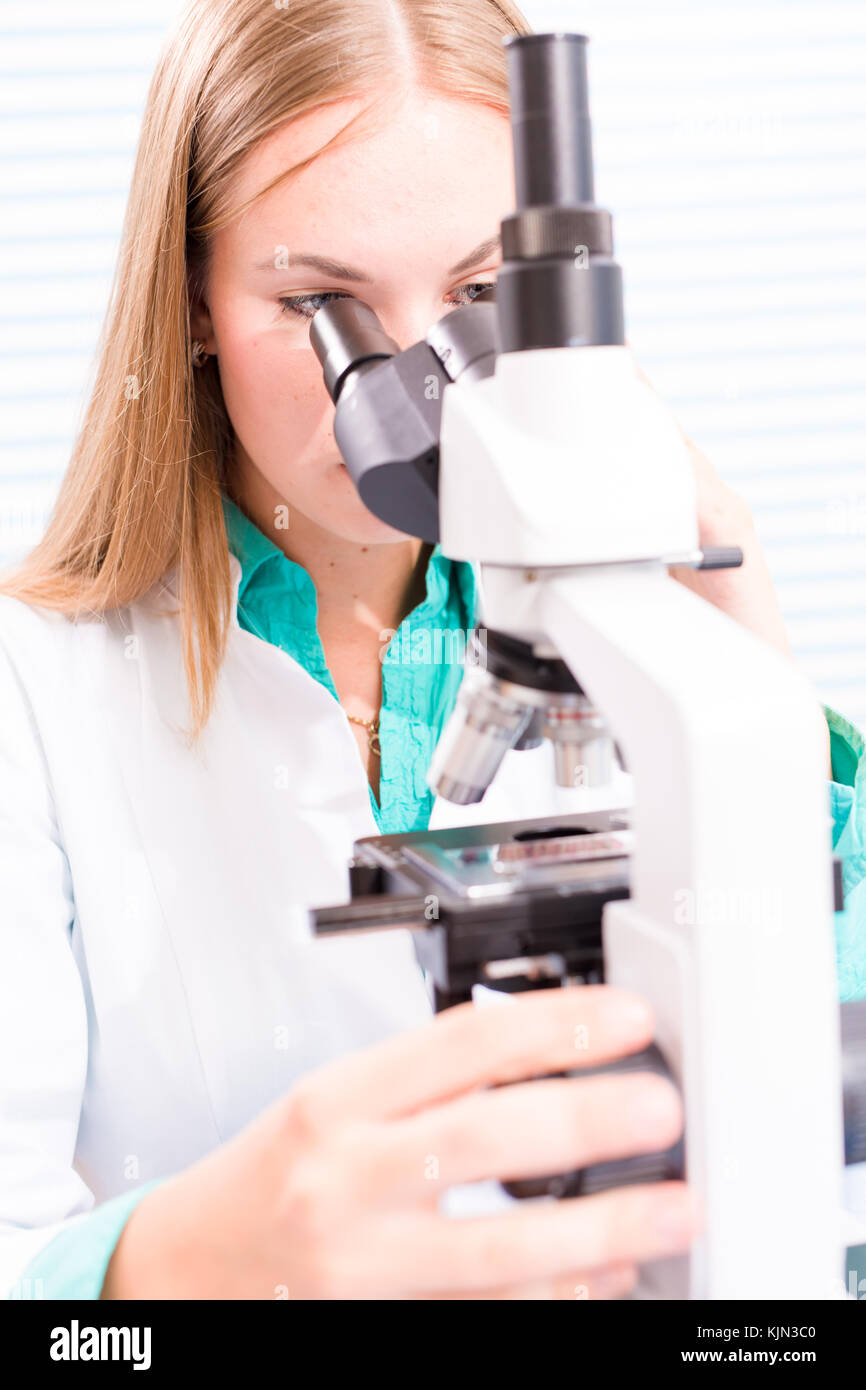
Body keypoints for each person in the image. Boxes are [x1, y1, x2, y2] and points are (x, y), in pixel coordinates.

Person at [1, 0, 863, 1302]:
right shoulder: (36, 692)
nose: (413, 380)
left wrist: (736, 623)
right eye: (319, 305)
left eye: (474, 298)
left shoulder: (624, 632)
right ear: (189, 304)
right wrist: (177, 1262)